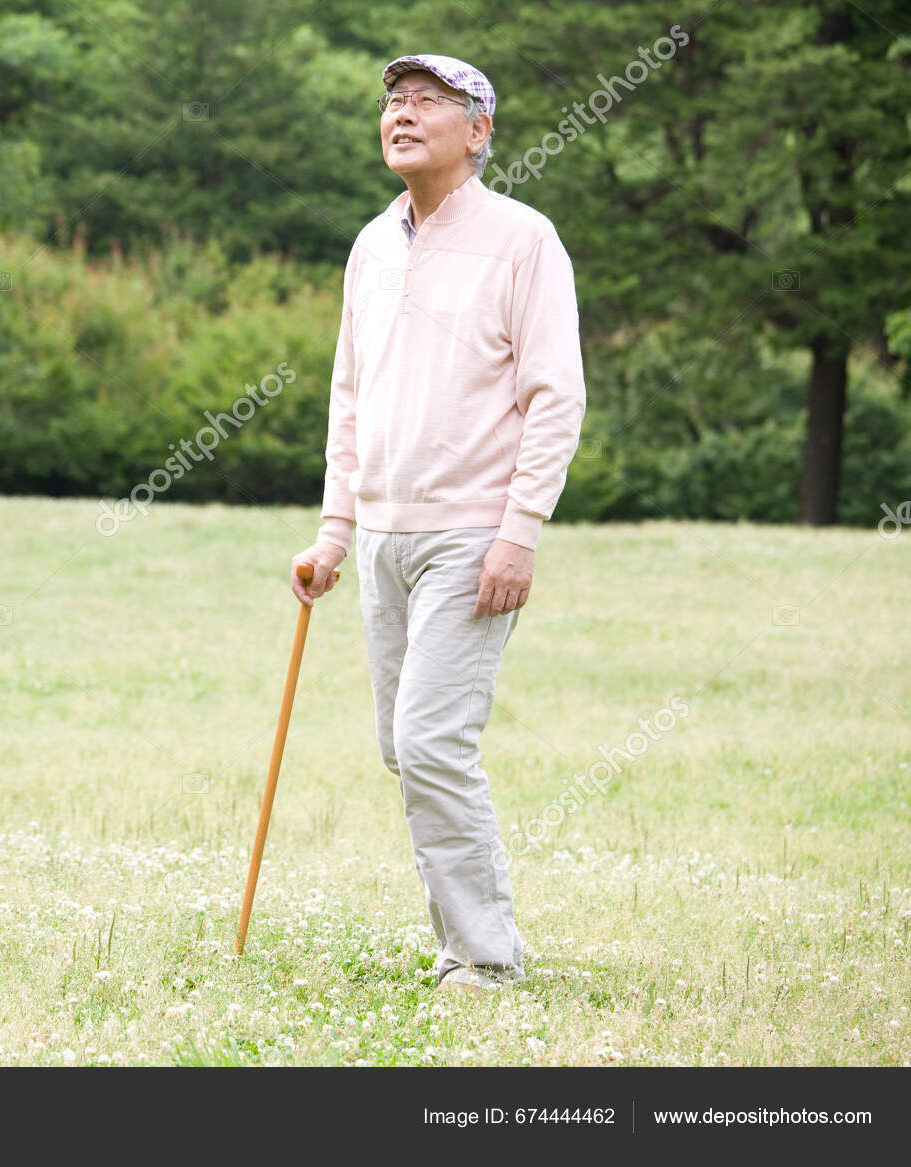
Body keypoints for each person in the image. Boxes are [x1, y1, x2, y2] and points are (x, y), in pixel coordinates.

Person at [291, 53, 586, 996]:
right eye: (393, 103)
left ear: (479, 129)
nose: (402, 115)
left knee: (429, 739)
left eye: (427, 102)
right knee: (400, 745)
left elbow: (555, 397)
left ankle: (490, 956)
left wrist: (520, 530)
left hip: (472, 536)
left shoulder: (523, 240)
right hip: (378, 536)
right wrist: (334, 532)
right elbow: (350, 398)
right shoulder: (371, 245)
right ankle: (460, 941)